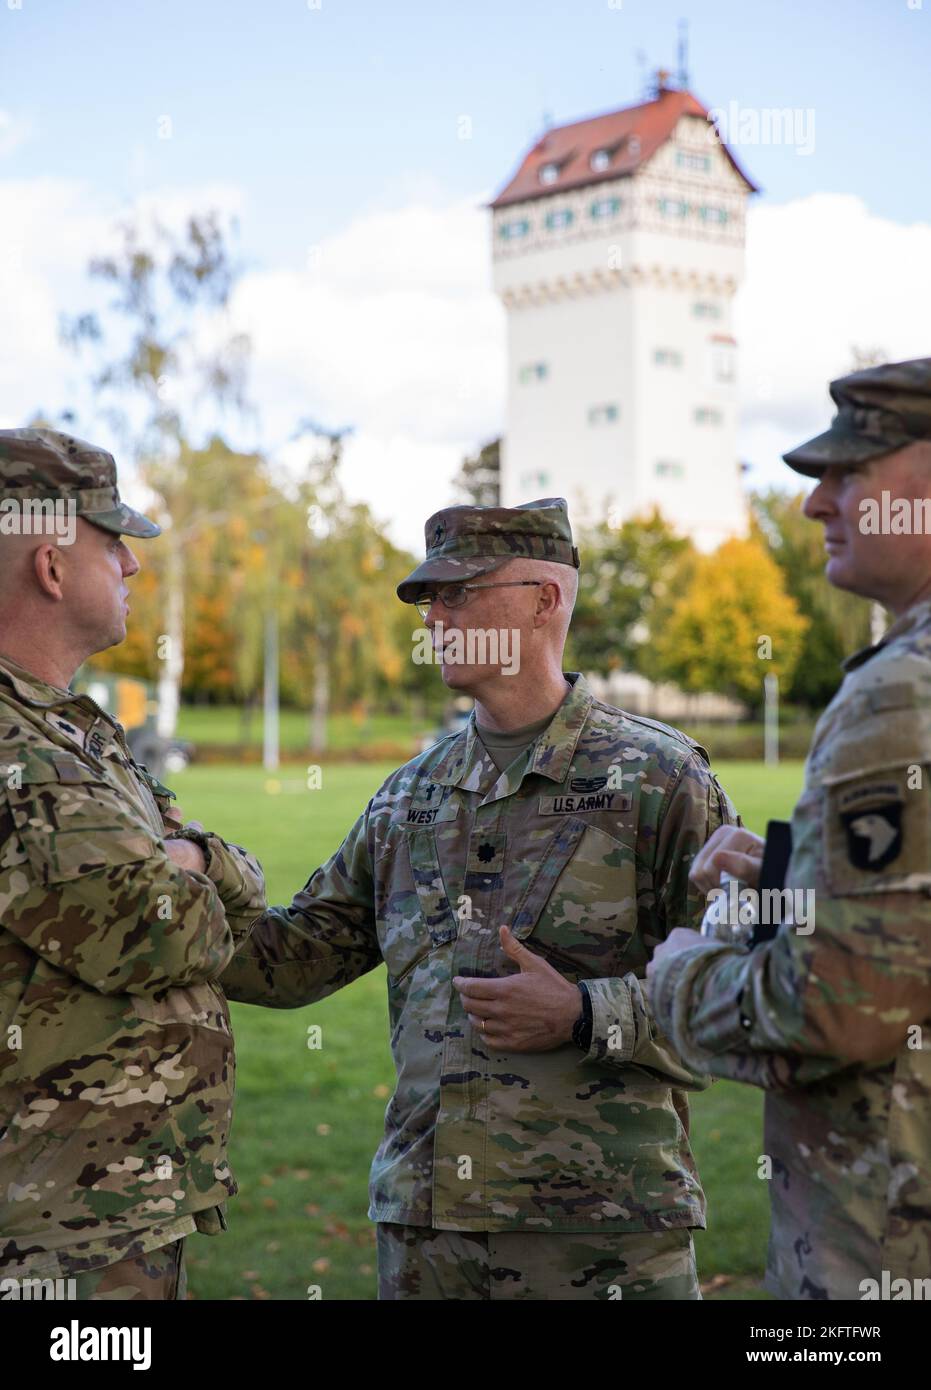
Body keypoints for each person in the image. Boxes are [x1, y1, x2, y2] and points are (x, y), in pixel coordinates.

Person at [221, 497, 738, 1300]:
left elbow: (736, 998)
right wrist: (159, 879)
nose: (436, 615)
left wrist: (582, 1013)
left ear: (544, 599)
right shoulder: (410, 797)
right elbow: (292, 961)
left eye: (461, 590)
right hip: (428, 1233)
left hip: (603, 1240)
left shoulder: (659, 780)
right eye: (430, 598)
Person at [648, 358, 931, 1301]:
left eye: (850, 472)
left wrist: (681, 969)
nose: (816, 504)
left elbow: (835, 1011)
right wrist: (784, 882)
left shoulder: (901, 692)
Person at [0, 428, 265, 1300]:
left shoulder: (71, 732)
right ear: (50, 566)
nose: (134, 567)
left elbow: (174, 871)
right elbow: (155, 929)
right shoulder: (20, 747)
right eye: (113, 542)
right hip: (47, 1236)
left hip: (99, 1212)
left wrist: (192, 857)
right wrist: (213, 868)